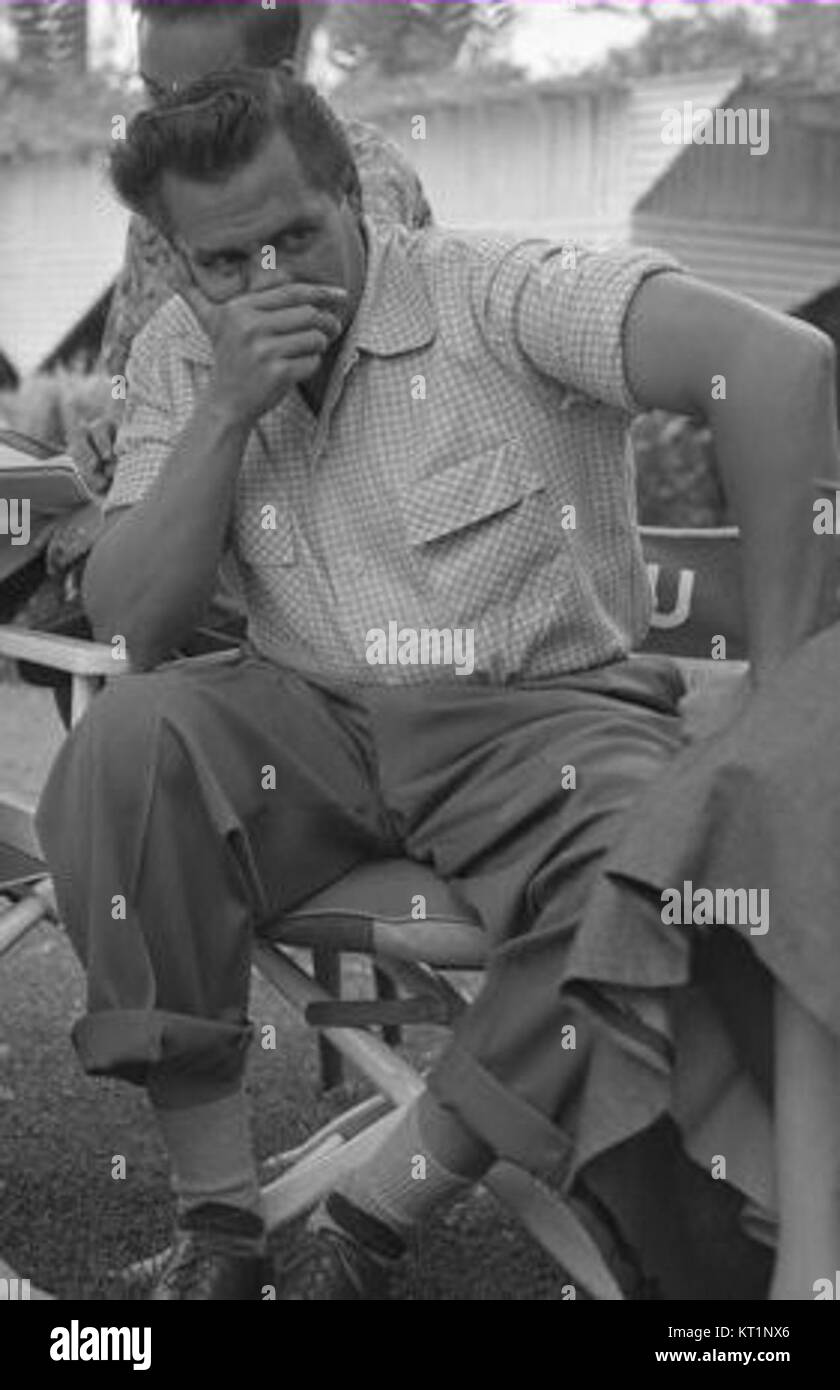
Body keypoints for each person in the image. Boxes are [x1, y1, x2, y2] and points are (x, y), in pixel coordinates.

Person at [34, 68, 838, 1301]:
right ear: (176, 259)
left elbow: (774, 367)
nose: (267, 281)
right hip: (302, 715)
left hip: (540, 718)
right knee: (128, 742)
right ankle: (222, 1230)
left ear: (357, 195)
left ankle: (373, 1208)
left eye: (296, 234)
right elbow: (134, 613)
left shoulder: (494, 287)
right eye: (223, 260)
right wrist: (228, 414)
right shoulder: (178, 355)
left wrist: (783, 688)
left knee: (659, 857)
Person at [5, 0, 431, 708]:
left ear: (283, 78)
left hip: (307, 543)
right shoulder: (164, 203)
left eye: (199, 96)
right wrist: (118, 437)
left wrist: (199, 423)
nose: (165, 126)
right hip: (175, 497)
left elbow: (318, 369)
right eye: (151, 96)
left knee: (114, 604)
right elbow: (138, 383)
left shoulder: (352, 177)